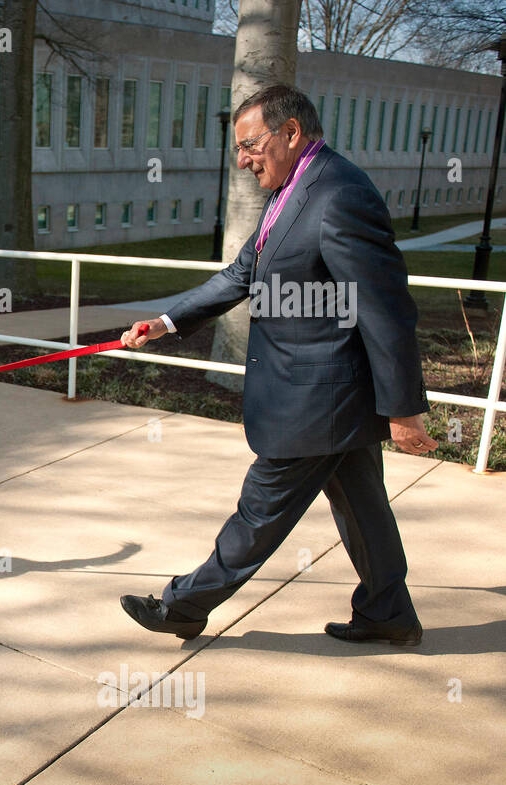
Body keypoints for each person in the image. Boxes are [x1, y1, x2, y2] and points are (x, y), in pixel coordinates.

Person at [118, 85, 435, 647]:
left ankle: (184, 606)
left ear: (290, 133)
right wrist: (165, 323)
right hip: (330, 395)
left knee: (259, 514)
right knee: (364, 511)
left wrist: (405, 408)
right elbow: (241, 274)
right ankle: (389, 612)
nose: (242, 160)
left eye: (250, 146)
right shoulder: (291, 189)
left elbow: (385, 309)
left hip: (318, 399)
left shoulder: (339, 195)